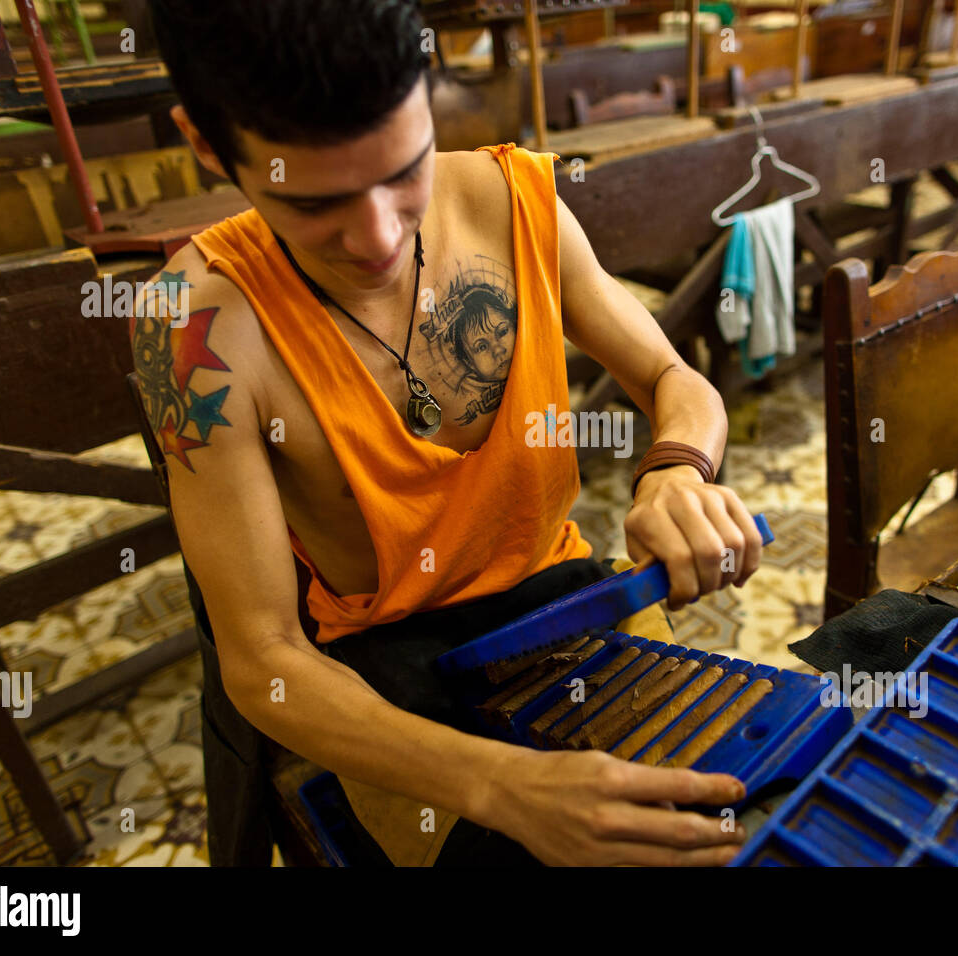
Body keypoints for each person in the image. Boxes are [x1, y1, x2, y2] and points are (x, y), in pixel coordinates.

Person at [137, 0, 763, 866]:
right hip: (384, 674)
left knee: (738, 819)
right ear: (207, 145)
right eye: (316, 203)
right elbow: (262, 657)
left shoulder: (514, 201)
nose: (379, 238)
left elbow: (670, 379)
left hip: (567, 602)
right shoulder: (198, 326)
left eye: (404, 171)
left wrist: (678, 468)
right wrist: (499, 784)